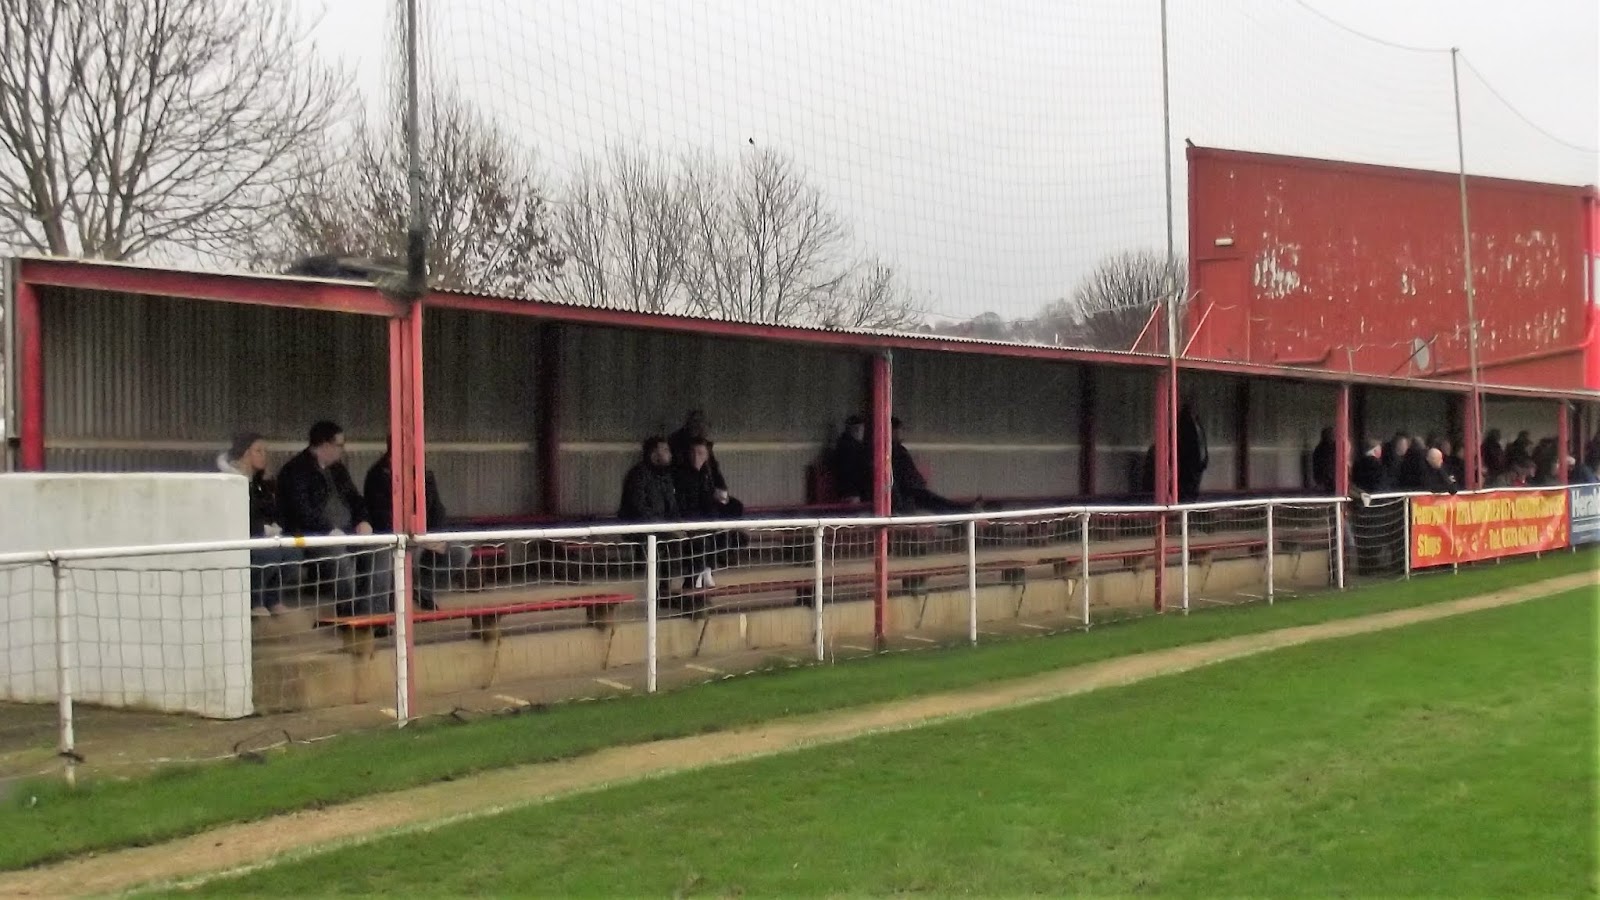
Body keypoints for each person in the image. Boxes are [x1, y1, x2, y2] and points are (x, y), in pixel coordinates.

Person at [277, 421, 381, 619]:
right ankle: (350, 615)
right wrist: (328, 529)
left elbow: (355, 499)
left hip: (346, 531)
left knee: (379, 550)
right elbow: (301, 511)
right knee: (338, 555)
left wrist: (363, 520)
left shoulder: (338, 470)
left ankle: (374, 612)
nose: (342, 450)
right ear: (325, 445)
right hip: (313, 535)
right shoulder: (295, 471)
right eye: (339, 445)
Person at [364, 444, 472, 612]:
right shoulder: (377, 476)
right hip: (392, 537)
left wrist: (437, 537)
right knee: (394, 556)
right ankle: (381, 613)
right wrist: (412, 536)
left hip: (422, 536)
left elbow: (437, 510)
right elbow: (379, 516)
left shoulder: (425, 474)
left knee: (460, 551)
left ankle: (423, 592)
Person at [217, 432, 300, 617]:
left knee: (293, 550)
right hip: (240, 537)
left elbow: (273, 510)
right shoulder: (231, 481)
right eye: (258, 450)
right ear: (245, 453)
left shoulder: (262, 482)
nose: (264, 455)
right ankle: (255, 601)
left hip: (263, 535)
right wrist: (261, 529)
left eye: (265, 451)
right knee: (267, 553)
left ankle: (273, 599)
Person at [618, 436, 692, 606]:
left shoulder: (665, 477)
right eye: (665, 450)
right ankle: (662, 592)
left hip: (661, 526)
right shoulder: (637, 475)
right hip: (638, 526)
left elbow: (672, 507)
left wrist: (680, 525)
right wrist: (665, 526)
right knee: (671, 542)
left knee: (692, 538)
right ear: (653, 454)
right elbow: (638, 508)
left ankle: (689, 587)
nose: (669, 454)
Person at [675, 437, 747, 589]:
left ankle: (707, 570)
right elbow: (687, 502)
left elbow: (718, 494)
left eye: (700, 453)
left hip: (706, 517)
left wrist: (723, 499)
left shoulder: (708, 473)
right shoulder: (682, 475)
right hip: (689, 519)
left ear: (707, 455)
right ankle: (696, 576)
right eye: (693, 452)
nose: (696, 457)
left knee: (724, 533)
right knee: (703, 538)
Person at [889, 418, 968, 513]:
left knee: (936, 501)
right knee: (934, 502)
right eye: (897, 431)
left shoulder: (898, 450)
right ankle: (962, 511)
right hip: (907, 492)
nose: (899, 434)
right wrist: (916, 484)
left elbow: (909, 473)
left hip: (910, 491)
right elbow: (906, 474)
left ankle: (963, 510)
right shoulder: (895, 451)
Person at [668, 411, 726, 493]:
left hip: (703, 487)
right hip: (683, 488)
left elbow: (714, 467)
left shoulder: (704, 443)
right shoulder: (676, 442)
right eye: (696, 423)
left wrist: (722, 489)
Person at [831, 414, 872, 503]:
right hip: (851, 492)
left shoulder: (851, 446)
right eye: (858, 429)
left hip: (852, 490)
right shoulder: (849, 448)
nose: (860, 433)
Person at [1176, 401, 1209, 502]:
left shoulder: (1197, 423)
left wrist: (1205, 459)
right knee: (1189, 487)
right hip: (1190, 462)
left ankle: (1191, 503)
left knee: (1194, 487)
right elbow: (1188, 443)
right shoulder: (1185, 422)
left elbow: (1202, 442)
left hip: (1198, 462)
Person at [1310, 427, 1337, 493]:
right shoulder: (1321, 449)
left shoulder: (1335, 447)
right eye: (1331, 435)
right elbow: (1319, 465)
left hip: (1333, 479)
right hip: (1326, 480)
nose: (1333, 437)